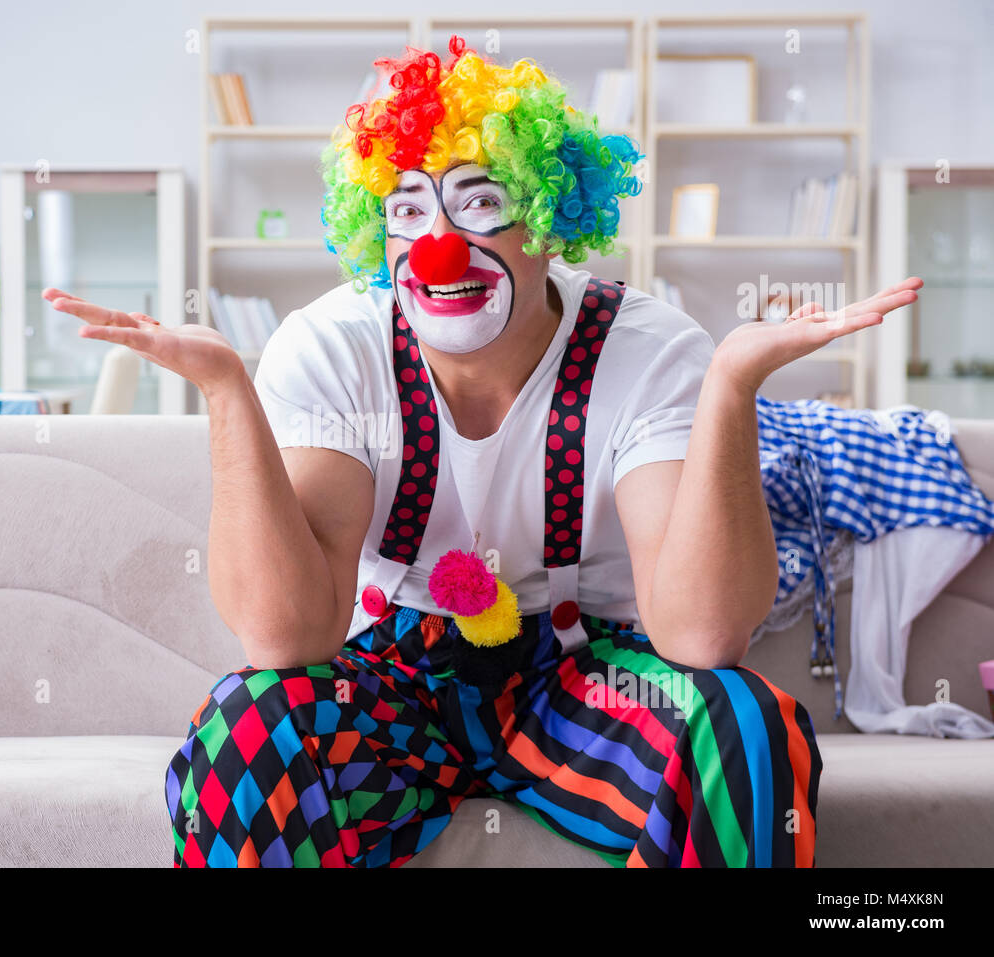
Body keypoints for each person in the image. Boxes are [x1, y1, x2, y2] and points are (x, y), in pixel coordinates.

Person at [46, 36, 921, 868]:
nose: (438, 244)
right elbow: (285, 638)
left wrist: (731, 386)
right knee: (245, 724)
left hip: (584, 679)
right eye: (409, 209)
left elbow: (701, 633)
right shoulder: (333, 345)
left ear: (547, 217)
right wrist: (228, 393)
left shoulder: (649, 348)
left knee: (745, 724)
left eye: (478, 202)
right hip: (390, 682)